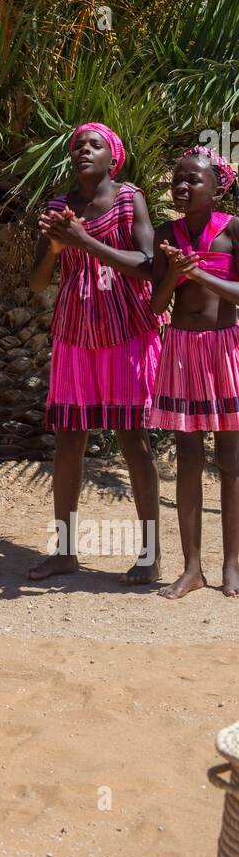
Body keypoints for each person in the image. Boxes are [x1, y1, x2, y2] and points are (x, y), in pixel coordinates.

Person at [30, 123, 163, 584]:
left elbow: (147, 267)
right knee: (69, 440)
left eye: (95, 145)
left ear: (114, 157)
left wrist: (85, 242)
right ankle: (65, 551)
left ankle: (150, 554)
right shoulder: (58, 207)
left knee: (132, 439)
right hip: (75, 334)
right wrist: (55, 246)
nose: (84, 150)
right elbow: (36, 282)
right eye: (77, 146)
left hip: (127, 331)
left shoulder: (130, 199)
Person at [148, 146, 239, 598]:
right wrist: (175, 274)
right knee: (187, 458)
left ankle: (233, 565)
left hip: (224, 351)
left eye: (193, 179)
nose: (181, 186)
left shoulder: (233, 232)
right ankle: (191, 568)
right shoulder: (167, 234)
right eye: (177, 179)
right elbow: (156, 305)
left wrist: (200, 276)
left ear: (218, 187)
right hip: (181, 350)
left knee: (231, 460)